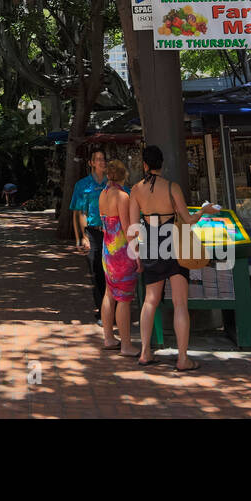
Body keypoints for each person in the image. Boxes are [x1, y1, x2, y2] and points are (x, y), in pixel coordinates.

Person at [128, 144, 215, 372]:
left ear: (145, 165)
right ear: (161, 164)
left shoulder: (136, 190)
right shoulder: (172, 187)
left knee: (149, 301)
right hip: (174, 244)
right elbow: (188, 220)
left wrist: (136, 254)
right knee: (180, 304)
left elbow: (134, 227)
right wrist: (204, 211)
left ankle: (146, 352)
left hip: (151, 245)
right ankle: (183, 358)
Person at [99, 159, 138, 355]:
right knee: (124, 299)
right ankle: (126, 345)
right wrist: (137, 254)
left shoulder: (103, 194)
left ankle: (108, 337)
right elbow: (126, 227)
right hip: (122, 254)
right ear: (125, 175)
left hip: (107, 251)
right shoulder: (122, 196)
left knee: (109, 293)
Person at [69, 150, 108, 325]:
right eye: (97, 159)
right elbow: (77, 212)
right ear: (91, 163)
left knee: (113, 271)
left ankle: (113, 309)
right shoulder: (82, 185)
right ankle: (103, 311)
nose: (101, 162)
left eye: (103, 159)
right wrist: (81, 237)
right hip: (92, 232)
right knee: (97, 271)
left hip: (113, 232)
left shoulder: (113, 183)